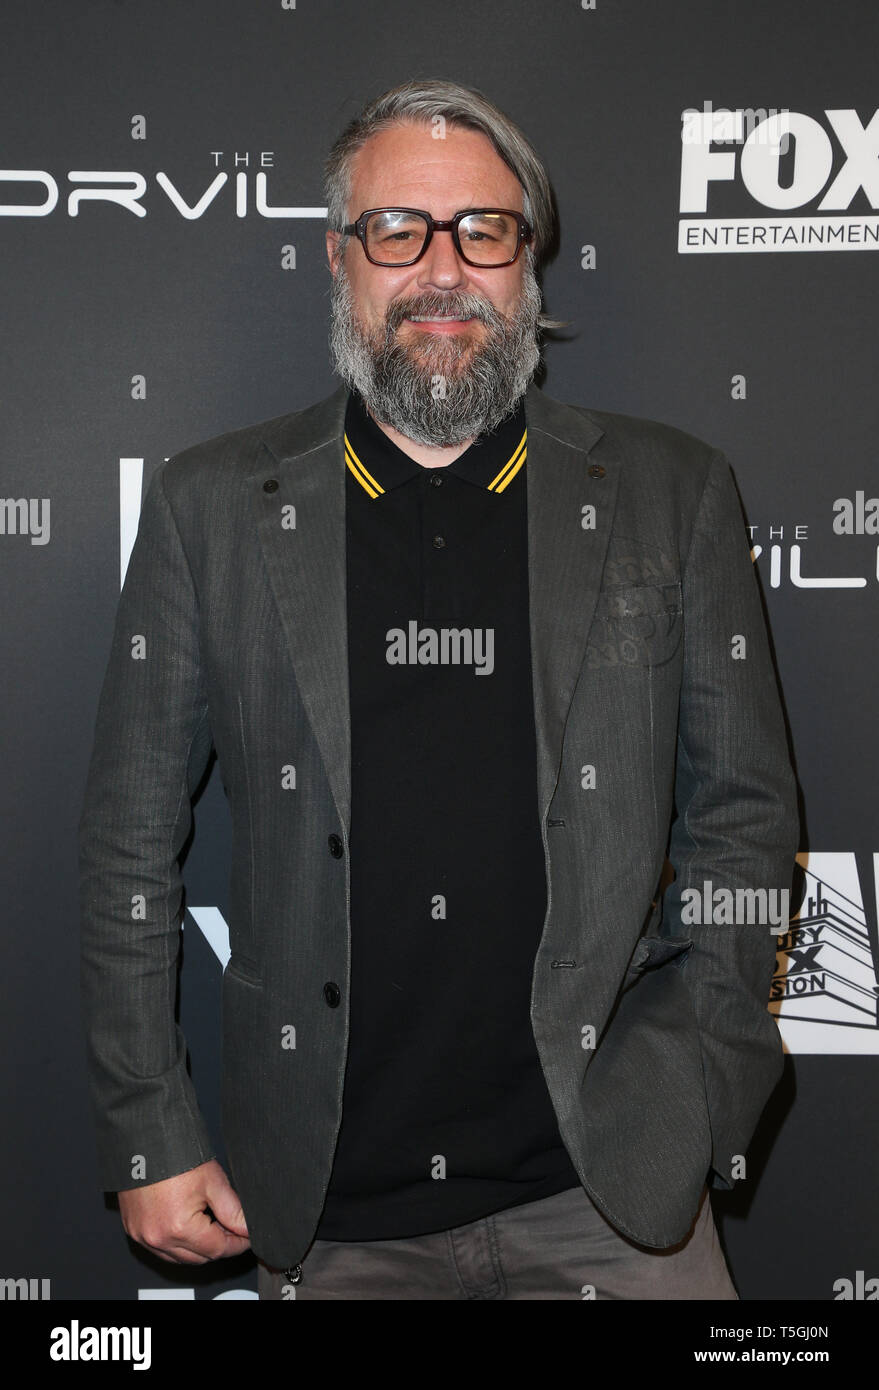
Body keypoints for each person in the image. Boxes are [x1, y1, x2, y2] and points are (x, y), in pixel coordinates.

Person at [78, 78, 799, 1301]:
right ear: (339, 258)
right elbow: (128, 845)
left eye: (484, 230)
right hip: (330, 1209)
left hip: (613, 1199)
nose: (442, 271)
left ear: (529, 260)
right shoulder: (212, 509)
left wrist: (693, 1092)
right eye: (397, 230)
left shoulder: (671, 494)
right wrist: (150, 1125)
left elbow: (746, 820)